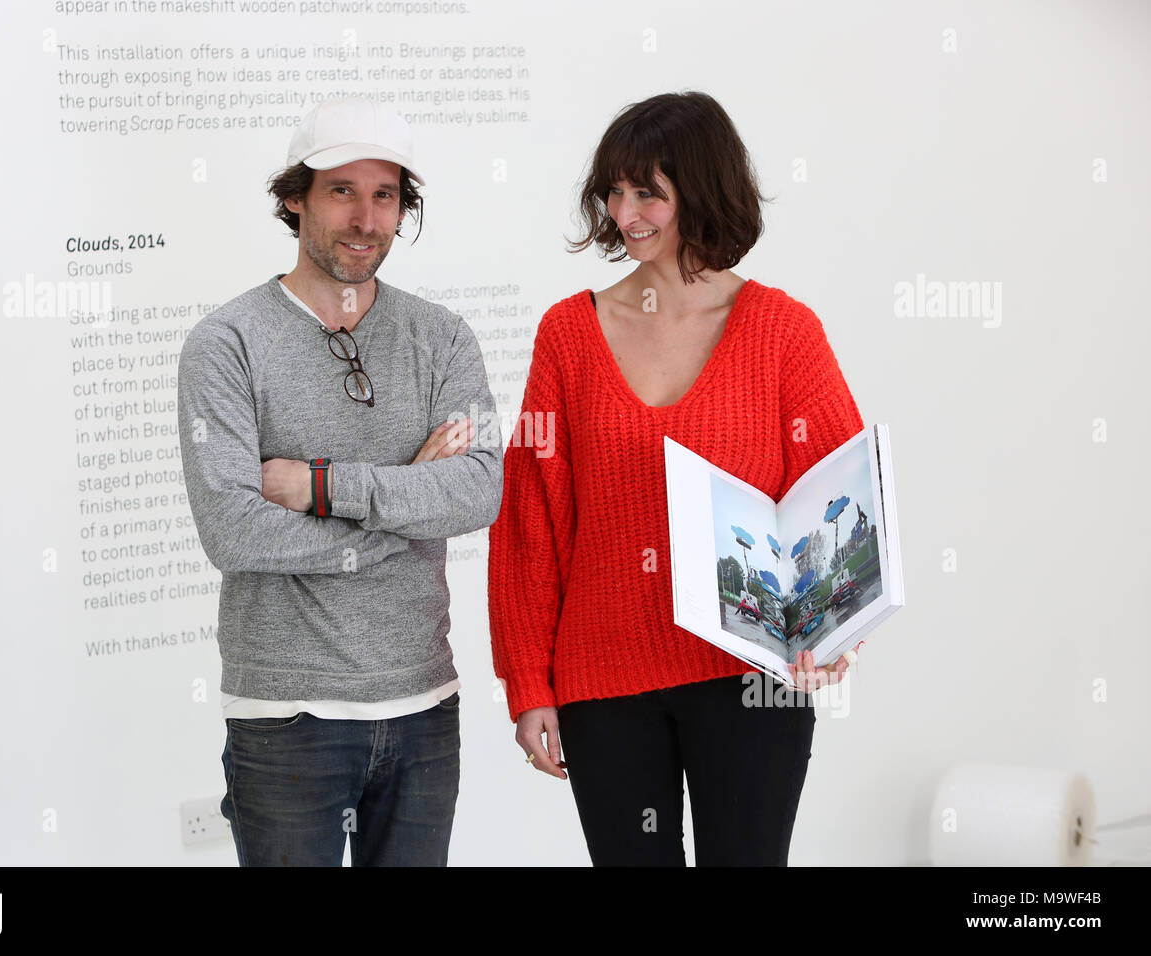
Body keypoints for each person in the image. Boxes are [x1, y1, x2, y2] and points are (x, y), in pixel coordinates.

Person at [488, 91, 864, 866]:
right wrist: (528, 684)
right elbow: (531, 520)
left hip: (752, 680)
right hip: (604, 683)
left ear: (702, 187)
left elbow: (839, 503)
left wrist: (833, 629)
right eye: (614, 192)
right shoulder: (569, 334)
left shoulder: (783, 332)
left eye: (647, 192)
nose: (626, 214)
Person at [177, 97, 502, 866]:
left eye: (384, 195)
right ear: (295, 198)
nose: (365, 218)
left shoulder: (443, 337)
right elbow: (235, 531)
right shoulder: (226, 344)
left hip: (425, 706)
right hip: (286, 717)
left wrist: (321, 487)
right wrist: (408, 498)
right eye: (341, 192)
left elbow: (481, 490)